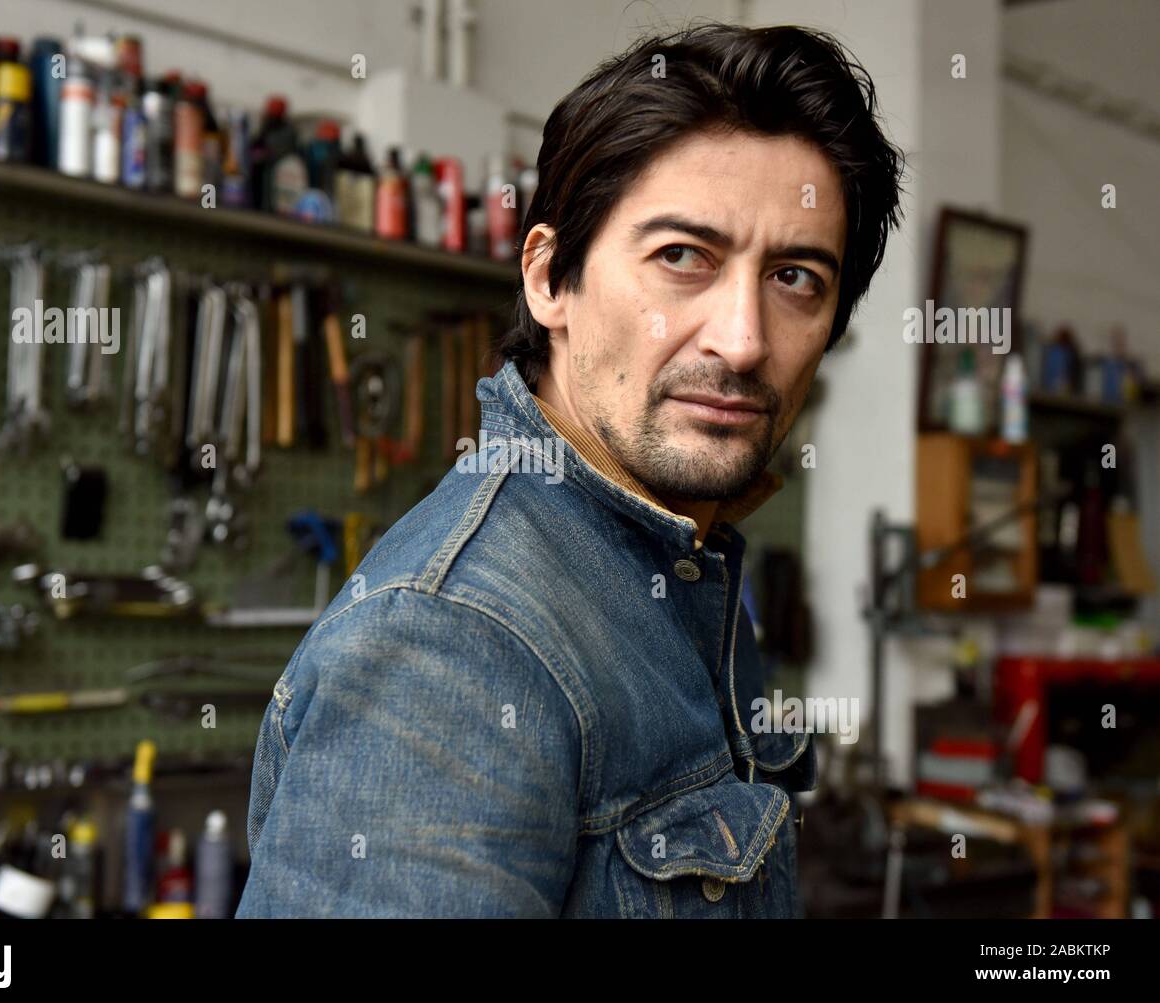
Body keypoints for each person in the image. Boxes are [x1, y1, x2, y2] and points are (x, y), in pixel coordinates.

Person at [238, 21, 904, 917]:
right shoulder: (449, 648)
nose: (744, 342)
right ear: (550, 278)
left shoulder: (682, 564)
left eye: (795, 278)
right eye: (682, 257)